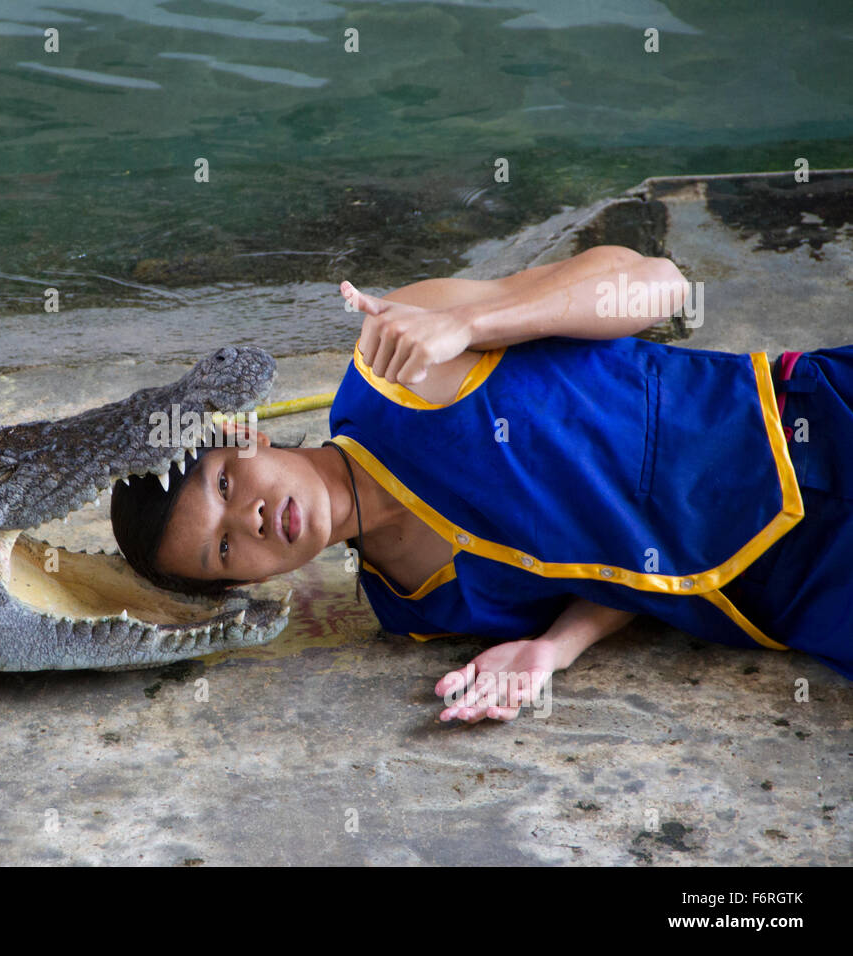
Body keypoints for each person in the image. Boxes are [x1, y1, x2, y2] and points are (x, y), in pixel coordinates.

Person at [110, 245, 853, 723]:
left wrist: (474, 321)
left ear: (245, 436)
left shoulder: (396, 367)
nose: (250, 521)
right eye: (224, 550)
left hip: (804, 430)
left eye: (225, 487)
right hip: (791, 599)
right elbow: (620, 569)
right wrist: (552, 649)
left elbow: (659, 285)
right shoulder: (416, 606)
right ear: (249, 580)